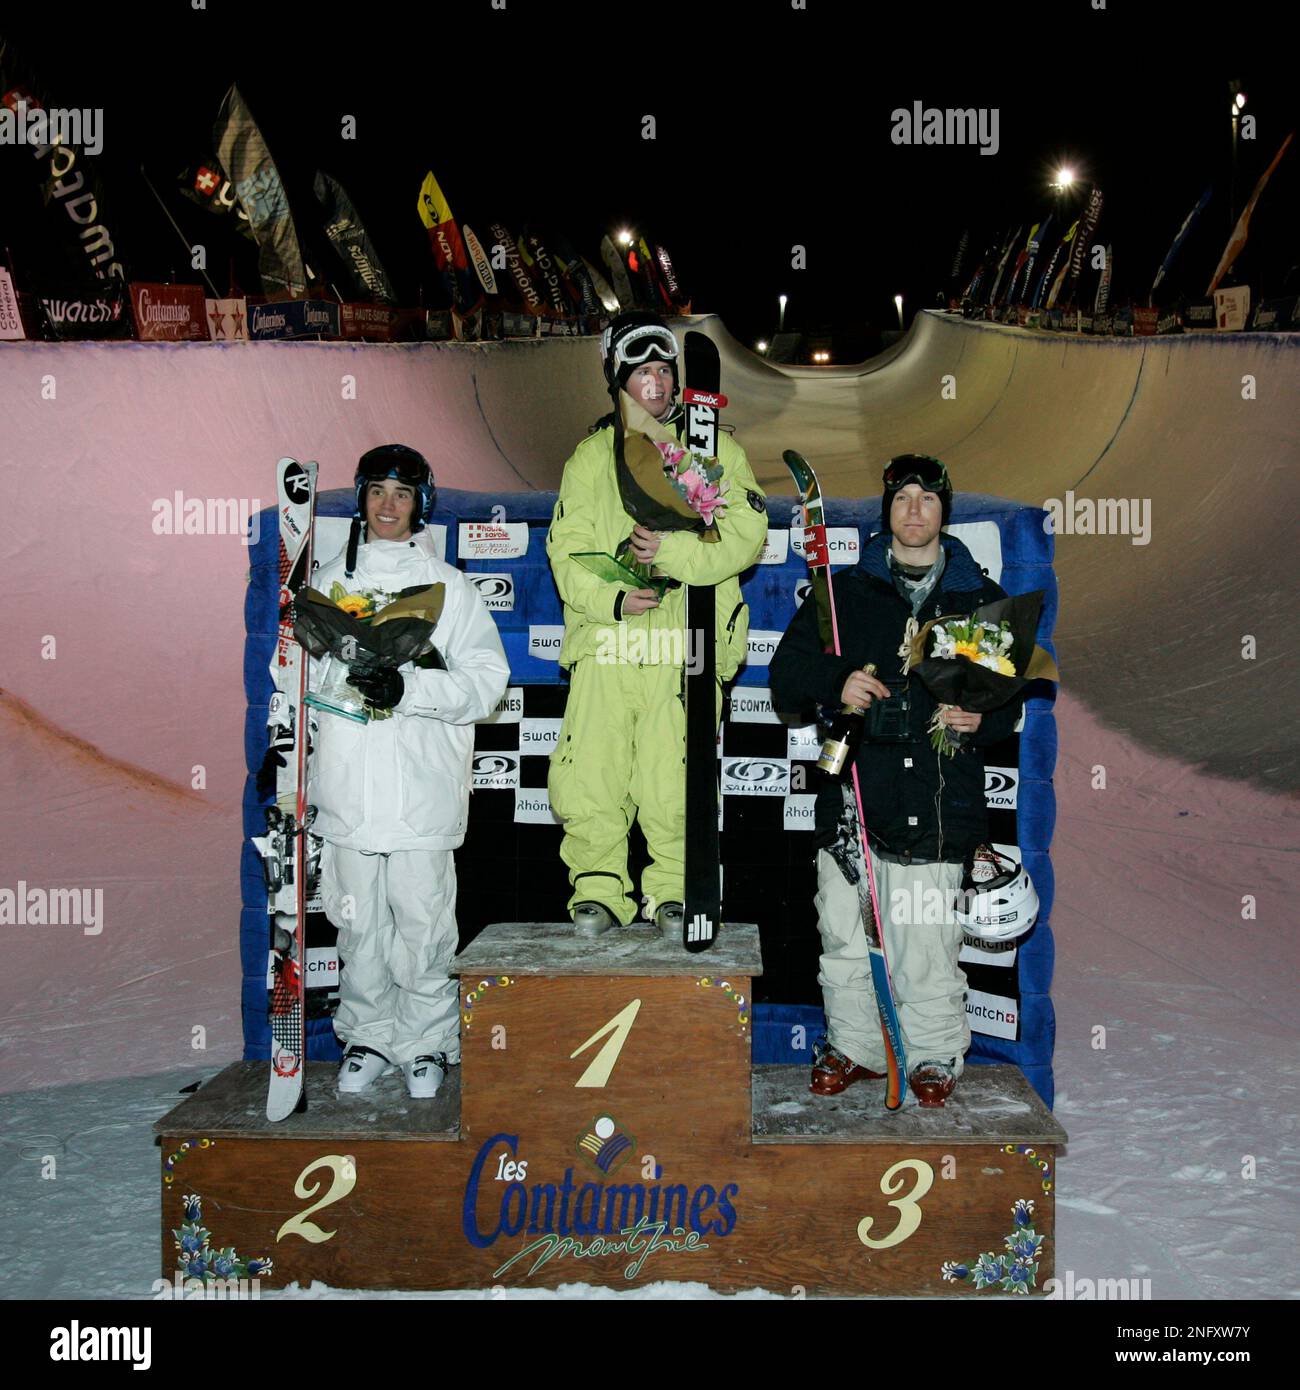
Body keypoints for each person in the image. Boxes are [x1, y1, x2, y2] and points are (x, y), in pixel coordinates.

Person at [769, 455, 1026, 1104]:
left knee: (925, 940)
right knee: (844, 932)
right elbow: (787, 677)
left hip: (936, 800)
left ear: (945, 511)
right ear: (887, 510)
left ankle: (934, 1053)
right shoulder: (847, 594)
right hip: (855, 793)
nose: (915, 508)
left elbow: (1009, 709)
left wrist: (980, 715)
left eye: (928, 498)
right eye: (903, 497)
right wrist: (837, 681)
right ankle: (857, 1049)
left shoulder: (975, 597)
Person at [546, 311, 768, 936]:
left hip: (685, 643)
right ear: (618, 379)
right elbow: (568, 550)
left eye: (664, 370)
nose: (656, 381)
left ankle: (676, 888)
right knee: (593, 769)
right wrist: (614, 600)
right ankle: (597, 889)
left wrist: (672, 555)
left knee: (675, 774)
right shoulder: (591, 457)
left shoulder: (712, 447)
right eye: (641, 370)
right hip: (611, 641)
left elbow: (745, 536)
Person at [308, 445, 509, 1098]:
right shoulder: (327, 585)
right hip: (347, 791)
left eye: (401, 493)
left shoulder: (449, 587)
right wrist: (339, 674)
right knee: (358, 925)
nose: (387, 505)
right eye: (376, 492)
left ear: (420, 504)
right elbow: (297, 681)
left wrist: (410, 689)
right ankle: (367, 1035)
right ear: (361, 500)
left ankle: (426, 1042)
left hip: (420, 790)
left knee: (422, 925)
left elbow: (487, 682)